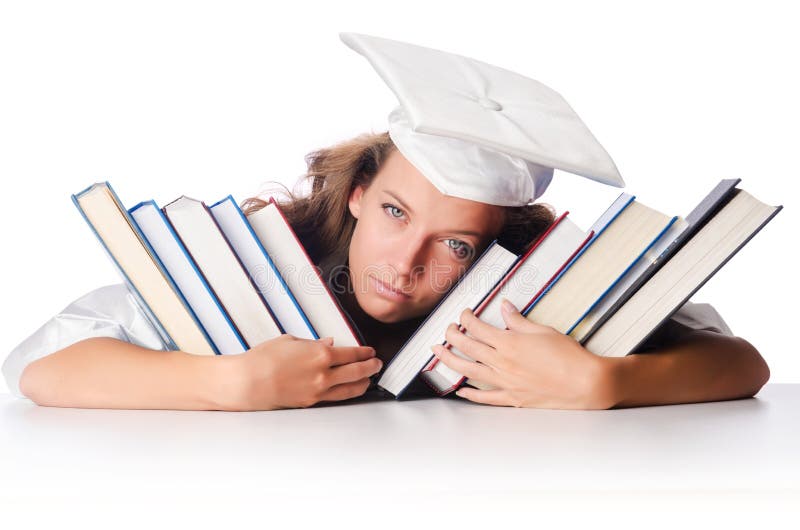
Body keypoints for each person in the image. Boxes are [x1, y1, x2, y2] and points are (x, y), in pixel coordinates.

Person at [2, 33, 770, 411]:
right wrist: (226, 382)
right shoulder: (267, 258)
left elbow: (742, 364)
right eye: (397, 212)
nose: (405, 266)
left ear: (496, 246)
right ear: (361, 192)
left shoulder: (542, 292)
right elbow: (44, 368)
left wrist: (611, 380)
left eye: (457, 243)